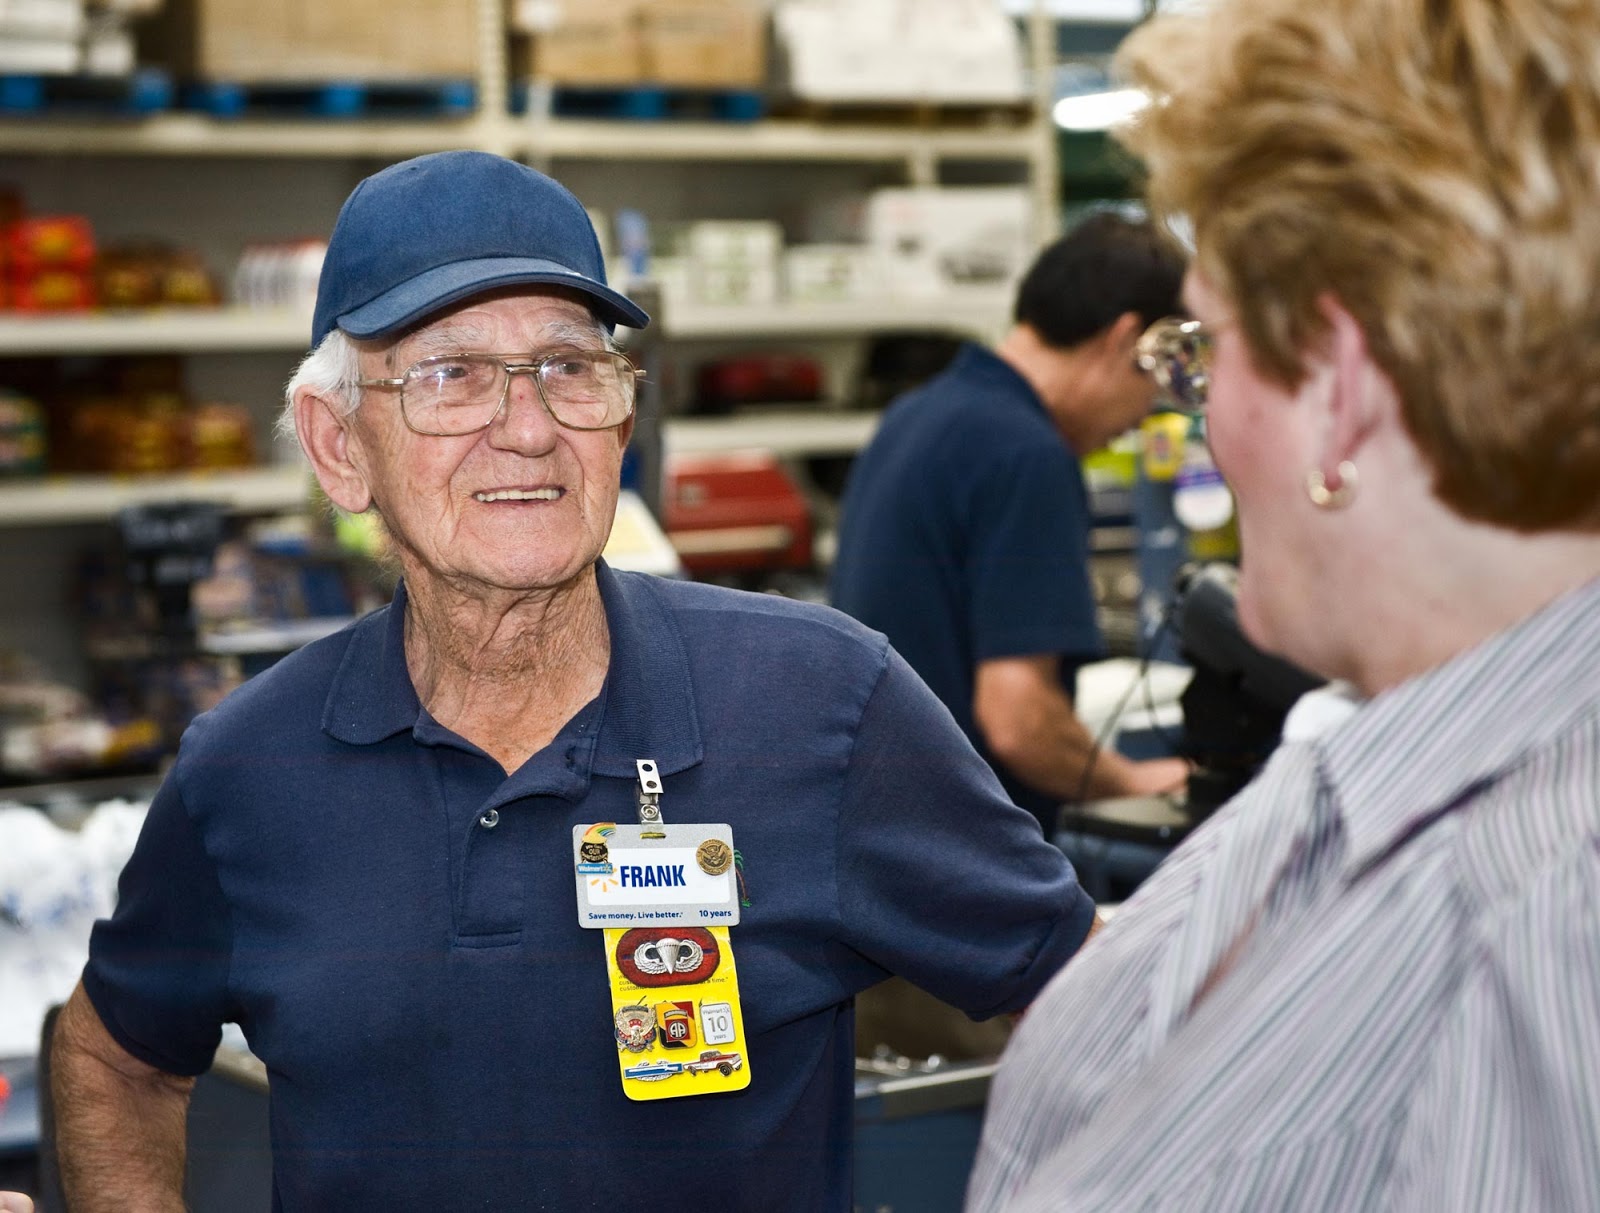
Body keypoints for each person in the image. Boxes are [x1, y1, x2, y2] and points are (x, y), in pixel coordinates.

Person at [47, 150, 1099, 1211]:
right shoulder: (249, 770)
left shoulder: (821, 705)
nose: (529, 426)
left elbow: (1103, 998)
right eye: (450, 374)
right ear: (338, 448)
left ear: (621, 418)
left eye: (569, 367)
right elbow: (116, 1057)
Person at [967, 0, 1600, 1209]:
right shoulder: (1343, 775)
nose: (1200, 413)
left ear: (1339, 384)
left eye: (1206, 354)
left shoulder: (1551, 910)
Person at [831, 214, 1191, 842]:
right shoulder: (1029, 452)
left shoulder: (920, 412)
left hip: (884, 827)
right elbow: (1020, 722)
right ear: (1126, 340)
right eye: (1154, 383)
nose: (1141, 418)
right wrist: (1136, 783)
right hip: (966, 852)